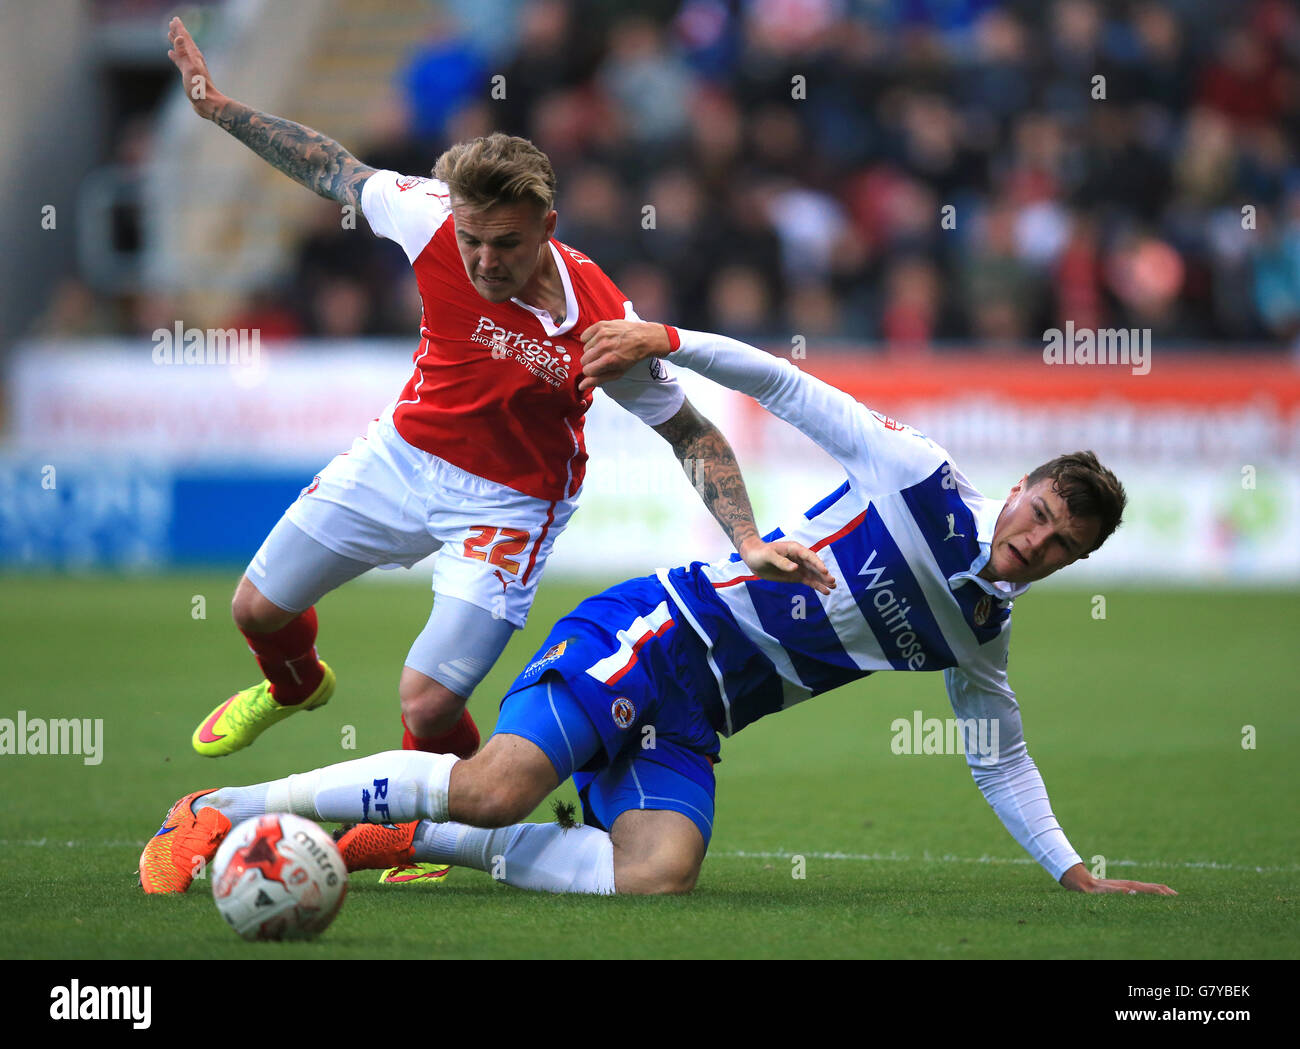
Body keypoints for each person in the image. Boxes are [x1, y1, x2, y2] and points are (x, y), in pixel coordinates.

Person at [139, 320, 1175, 898]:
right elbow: (783, 384)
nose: (1034, 540)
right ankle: (220, 811)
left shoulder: (981, 636)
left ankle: (413, 836)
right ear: (1020, 486)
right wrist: (668, 339)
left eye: (1060, 544)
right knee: (495, 787)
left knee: (658, 875)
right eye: (1040, 512)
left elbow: (999, 756)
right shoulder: (921, 478)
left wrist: (1075, 874)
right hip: (654, 633)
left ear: (1073, 560)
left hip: (695, 715)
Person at [163, 18, 802, 816]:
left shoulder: (603, 321)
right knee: (256, 609)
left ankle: (448, 829)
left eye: (506, 244)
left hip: (510, 502)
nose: (485, 261)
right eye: (472, 241)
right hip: (404, 454)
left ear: (547, 228)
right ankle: (295, 685)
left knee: (427, 702)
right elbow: (332, 167)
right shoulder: (427, 212)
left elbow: (691, 432)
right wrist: (218, 107)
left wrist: (747, 538)